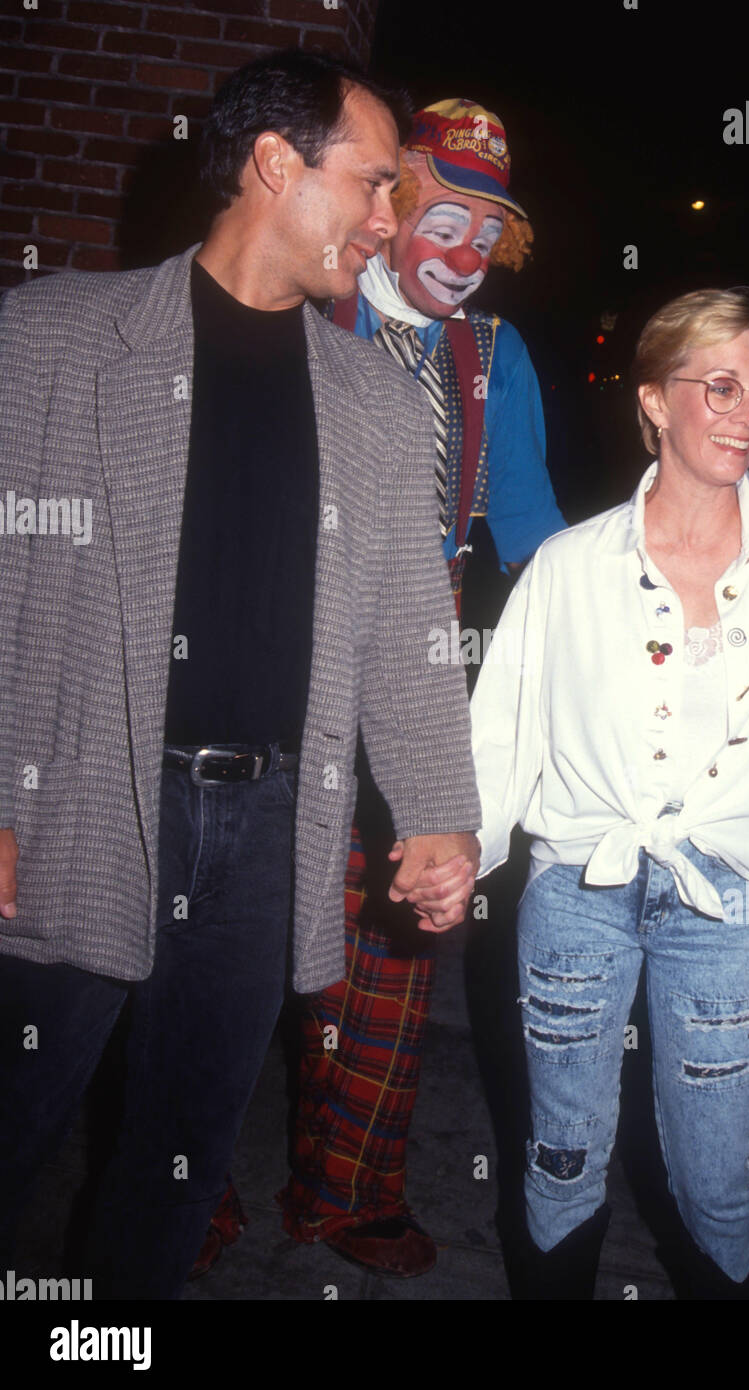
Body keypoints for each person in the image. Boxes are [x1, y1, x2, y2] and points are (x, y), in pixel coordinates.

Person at [0, 48, 481, 1301]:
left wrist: (436, 809)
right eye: (376, 185)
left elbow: (405, 628)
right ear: (276, 164)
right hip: (78, 804)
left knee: (174, 1161)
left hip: (269, 829)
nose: (389, 221)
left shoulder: (373, 401)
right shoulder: (50, 337)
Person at [417, 287, 749, 1298]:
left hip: (728, 904)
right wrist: (460, 854)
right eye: (719, 386)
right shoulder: (569, 570)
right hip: (577, 889)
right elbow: (501, 743)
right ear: (654, 400)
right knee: (561, 1153)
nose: (746, 413)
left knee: (713, 1163)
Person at [197, 98, 566, 1281]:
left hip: (412, 695)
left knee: (398, 956)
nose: (460, 258)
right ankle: (182, 1179)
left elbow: (532, 535)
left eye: (483, 236)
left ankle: (346, 1189)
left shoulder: (494, 361)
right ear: (391, 203)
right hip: (268, 674)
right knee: (227, 940)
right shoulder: (300, 310)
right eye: (439, 220)